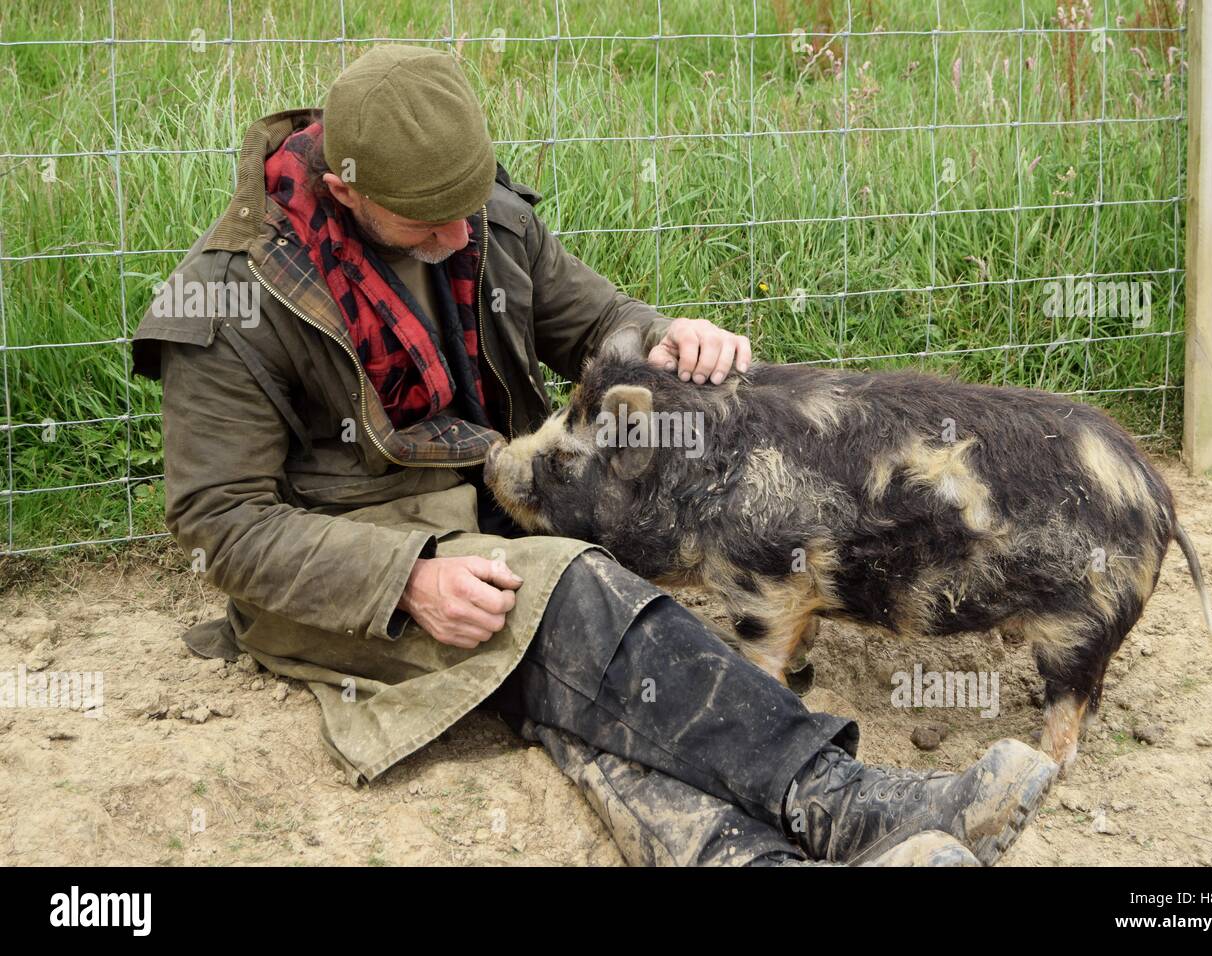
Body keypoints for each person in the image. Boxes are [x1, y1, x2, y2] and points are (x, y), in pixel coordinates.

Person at [131, 44, 1056, 867]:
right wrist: (406, 579)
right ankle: (854, 806)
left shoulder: (469, 206)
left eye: (470, 203)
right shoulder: (229, 301)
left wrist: (666, 339)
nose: (463, 236)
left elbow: (599, 325)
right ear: (343, 191)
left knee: (587, 680)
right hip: (358, 566)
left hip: (494, 514)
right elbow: (222, 524)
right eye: (429, 223)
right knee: (580, 596)